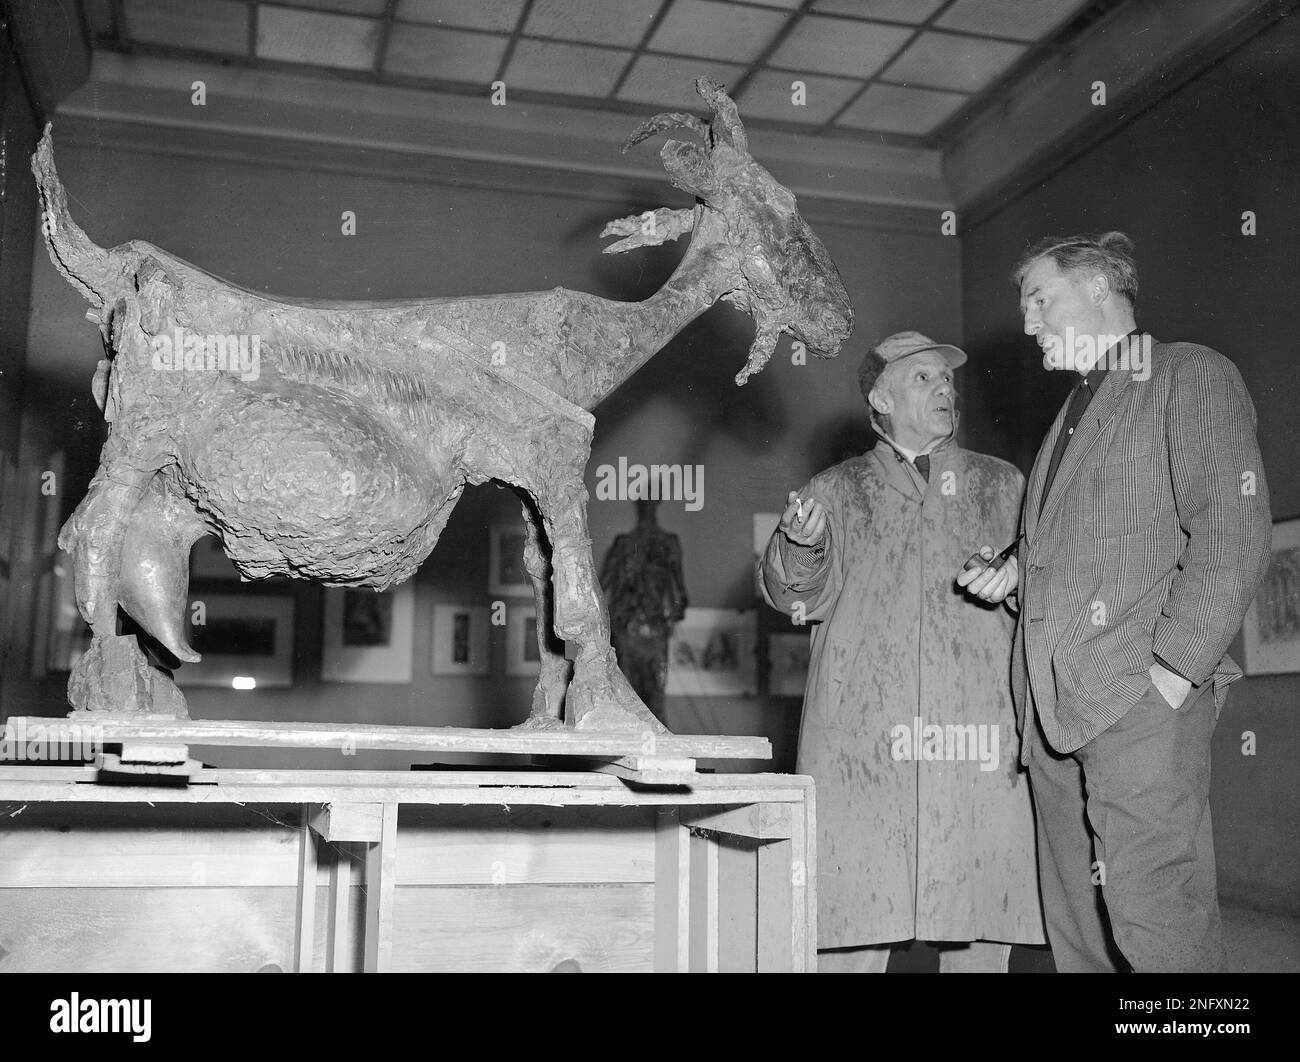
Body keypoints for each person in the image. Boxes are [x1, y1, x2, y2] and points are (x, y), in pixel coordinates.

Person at [959, 232, 1272, 972]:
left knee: (1158, 921)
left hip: (1137, 702)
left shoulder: (1188, 374)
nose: (1029, 321)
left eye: (1041, 298)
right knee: (1081, 937)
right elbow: (1086, 555)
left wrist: (1171, 673)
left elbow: (1232, 531)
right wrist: (1015, 573)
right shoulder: (1072, 413)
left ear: (1100, 286)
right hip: (1057, 712)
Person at [760, 331, 1045, 973]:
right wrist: (801, 547)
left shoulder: (1004, 486)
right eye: (924, 378)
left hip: (978, 734)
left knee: (978, 924)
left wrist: (1022, 576)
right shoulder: (836, 490)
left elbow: (1049, 589)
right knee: (853, 914)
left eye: (948, 380)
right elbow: (795, 596)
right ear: (880, 398)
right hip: (868, 740)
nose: (945, 388)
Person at [600, 499, 687, 719]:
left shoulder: (668, 543)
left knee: (655, 690)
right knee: (628, 688)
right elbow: (603, 585)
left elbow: (681, 591)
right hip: (627, 625)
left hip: (654, 626)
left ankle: (656, 740)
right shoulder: (624, 543)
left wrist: (674, 611)